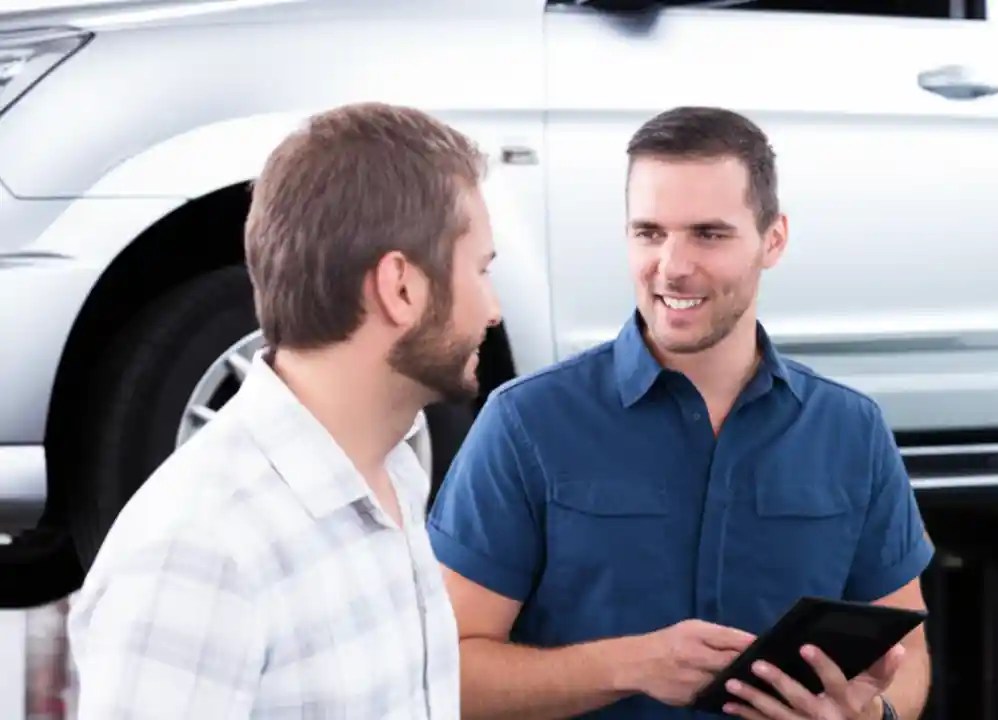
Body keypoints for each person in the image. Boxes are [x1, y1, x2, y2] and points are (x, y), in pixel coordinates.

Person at [427, 106, 934, 720]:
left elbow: (907, 657)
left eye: (708, 234)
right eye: (649, 232)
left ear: (773, 239)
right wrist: (628, 666)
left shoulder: (852, 431)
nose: (672, 265)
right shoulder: (524, 425)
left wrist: (869, 717)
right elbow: (444, 674)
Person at [67, 101, 501, 718]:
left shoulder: (394, 474)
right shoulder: (197, 556)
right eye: (481, 271)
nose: (493, 308)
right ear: (400, 288)